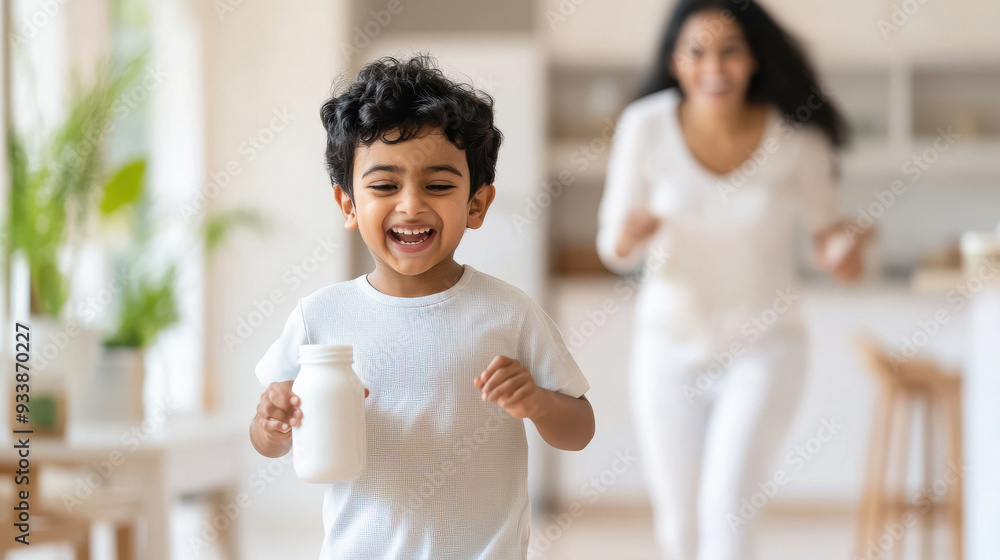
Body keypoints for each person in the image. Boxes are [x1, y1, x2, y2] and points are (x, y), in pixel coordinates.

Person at [250, 55, 594, 559]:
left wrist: (538, 403)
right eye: (385, 185)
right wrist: (271, 423)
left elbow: (579, 430)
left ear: (476, 204)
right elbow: (271, 441)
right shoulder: (319, 316)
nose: (411, 205)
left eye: (437, 185)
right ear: (348, 204)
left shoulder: (509, 313)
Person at [595, 1, 870, 559]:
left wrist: (844, 252)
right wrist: (632, 234)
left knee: (727, 516)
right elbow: (613, 251)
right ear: (675, 61)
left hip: (764, 350)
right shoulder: (644, 127)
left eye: (730, 51)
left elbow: (826, 237)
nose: (713, 67)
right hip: (668, 350)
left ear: (753, 61)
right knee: (681, 531)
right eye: (697, 52)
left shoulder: (796, 140)